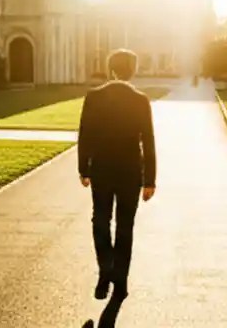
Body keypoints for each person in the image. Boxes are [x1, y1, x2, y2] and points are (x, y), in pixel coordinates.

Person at [78, 49, 157, 300]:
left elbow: (85, 135)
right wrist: (150, 180)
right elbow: (148, 141)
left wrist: (83, 168)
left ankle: (105, 271)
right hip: (130, 171)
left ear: (111, 69)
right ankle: (120, 281)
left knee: (100, 220)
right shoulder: (140, 99)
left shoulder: (94, 96)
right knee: (125, 226)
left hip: (101, 168)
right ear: (132, 70)